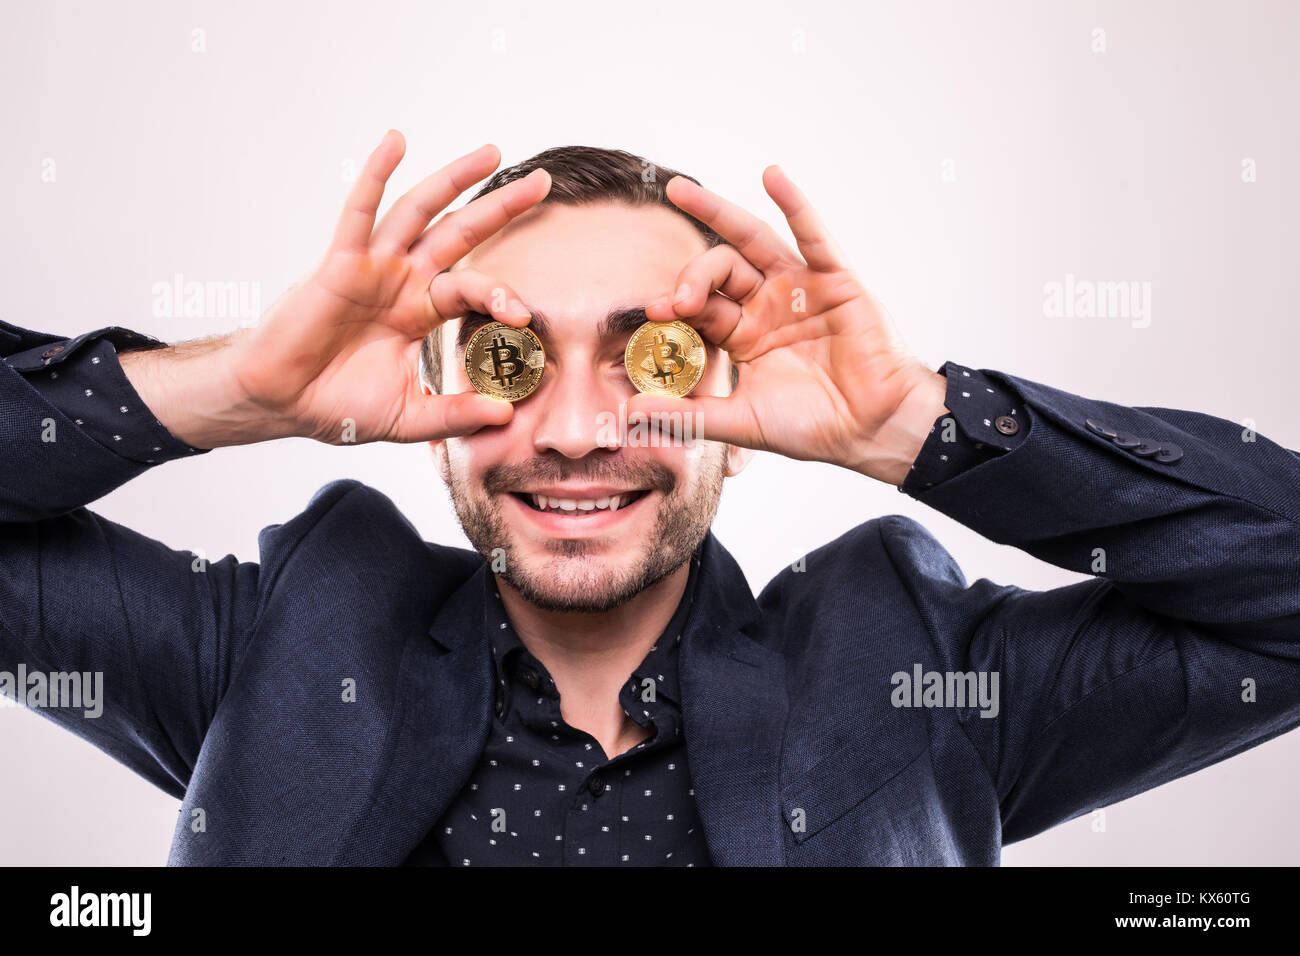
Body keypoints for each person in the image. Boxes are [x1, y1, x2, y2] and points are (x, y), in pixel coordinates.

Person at [2, 131, 1297, 866]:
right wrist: (238, 388)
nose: (575, 432)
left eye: (653, 358)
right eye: (510, 359)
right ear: (429, 399)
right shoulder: (285, 646)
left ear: (743, 413)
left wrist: (915, 423)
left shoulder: (910, 675)